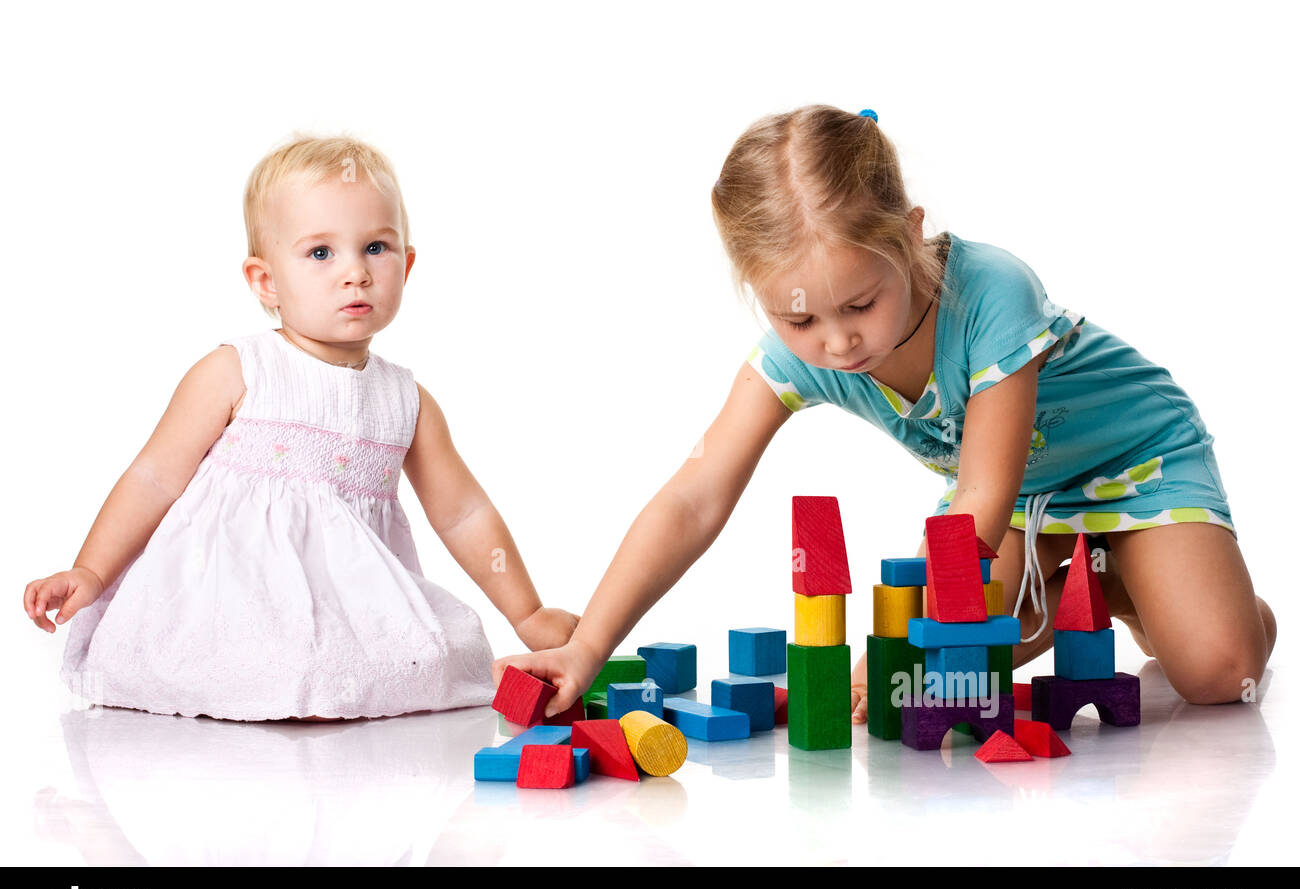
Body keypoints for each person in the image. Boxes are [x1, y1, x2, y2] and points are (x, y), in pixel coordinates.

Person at [494, 104, 1276, 721]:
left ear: (910, 235)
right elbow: (693, 498)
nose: (836, 343)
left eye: (861, 304)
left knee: (1215, 671)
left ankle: (1157, 577)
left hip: (1131, 465)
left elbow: (980, 498)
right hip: (1017, 506)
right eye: (799, 319)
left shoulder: (991, 293)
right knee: (956, 677)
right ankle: (1102, 579)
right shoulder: (798, 354)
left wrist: (885, 648)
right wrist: (589, 644)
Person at [24, 135, 578, 721]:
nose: (355, 274)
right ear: (265, 281)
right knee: (256, 657)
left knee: (433, 657)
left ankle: (337, 683)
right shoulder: (237, 371)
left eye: (375, 248)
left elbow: (464, 514)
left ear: (407, 265)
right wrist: (91, 567)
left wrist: (527, 613)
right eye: (321, 253)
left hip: (349, 607)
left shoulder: (406, 401)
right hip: (232, 596)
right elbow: (154, 478)